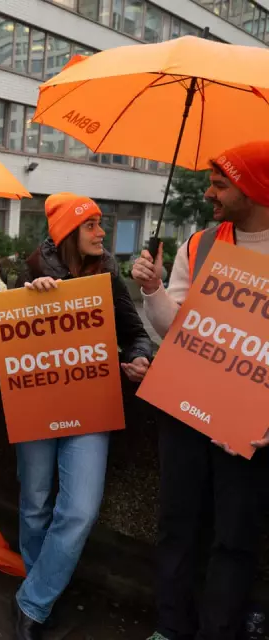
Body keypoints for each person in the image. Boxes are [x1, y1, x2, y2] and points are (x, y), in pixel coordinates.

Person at [132, 142, 269, 640]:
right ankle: (170, 627)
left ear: (252, 188)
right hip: (186, 406)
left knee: (234, 538)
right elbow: (175, 328)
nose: (209, 192)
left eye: (220, 183)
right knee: (177, 524)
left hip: (249, 421)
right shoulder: (201, 243)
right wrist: (151, 291)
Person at [10, 193, 153, 640]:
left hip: (91, 405)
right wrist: (25, 300)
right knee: (34, 504)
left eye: (100, 224)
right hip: (36, 405)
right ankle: (44, 590)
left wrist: (140, 359)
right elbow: (4, 335)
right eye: (91, 225)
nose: (101, 233)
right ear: (68, 231)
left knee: (80, 509)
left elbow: (135, 336)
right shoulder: (28, 270)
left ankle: (33, 600)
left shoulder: (108, 276)